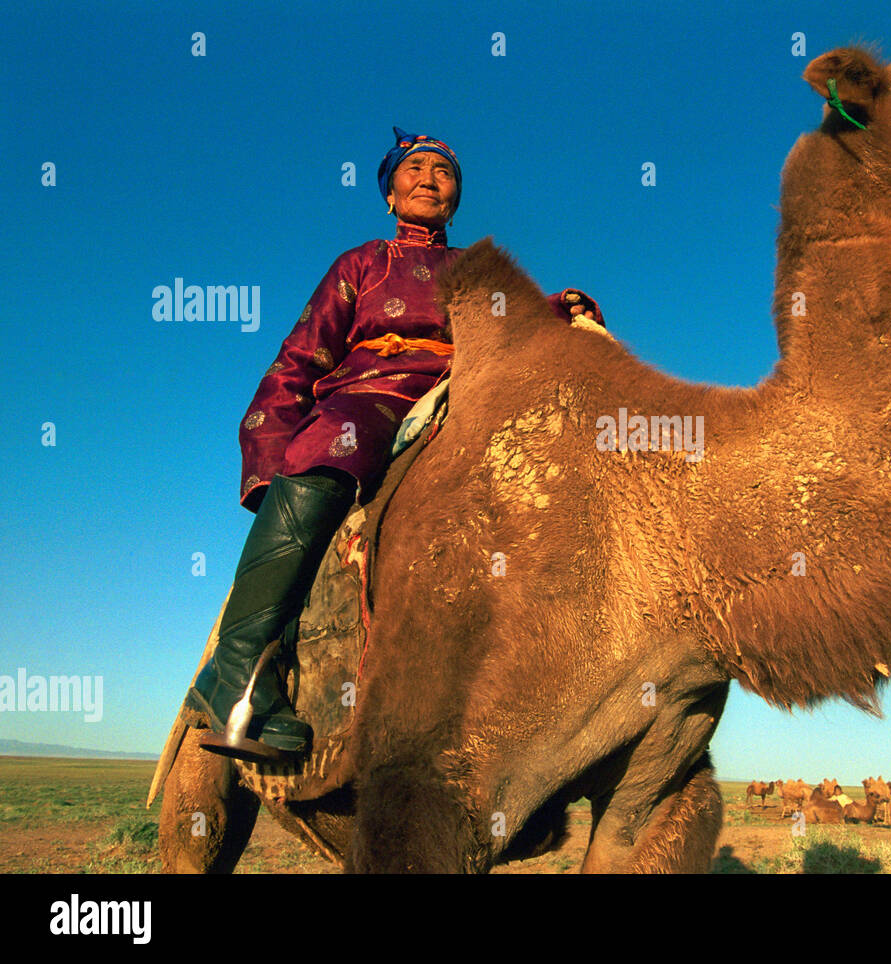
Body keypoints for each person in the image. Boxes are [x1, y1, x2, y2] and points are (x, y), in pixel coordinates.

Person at [186, 127, 603, 762]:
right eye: (415, 169)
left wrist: (564, 306)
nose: (430, 178)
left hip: (460, 391)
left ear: (456, 198)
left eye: (444, 171)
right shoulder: (361, 264)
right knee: (335, 449)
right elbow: (299, 358)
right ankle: (237, 670)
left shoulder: (475, 272)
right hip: (371, 393)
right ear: (389, 193)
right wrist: (274, 454)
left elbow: (516, 316)